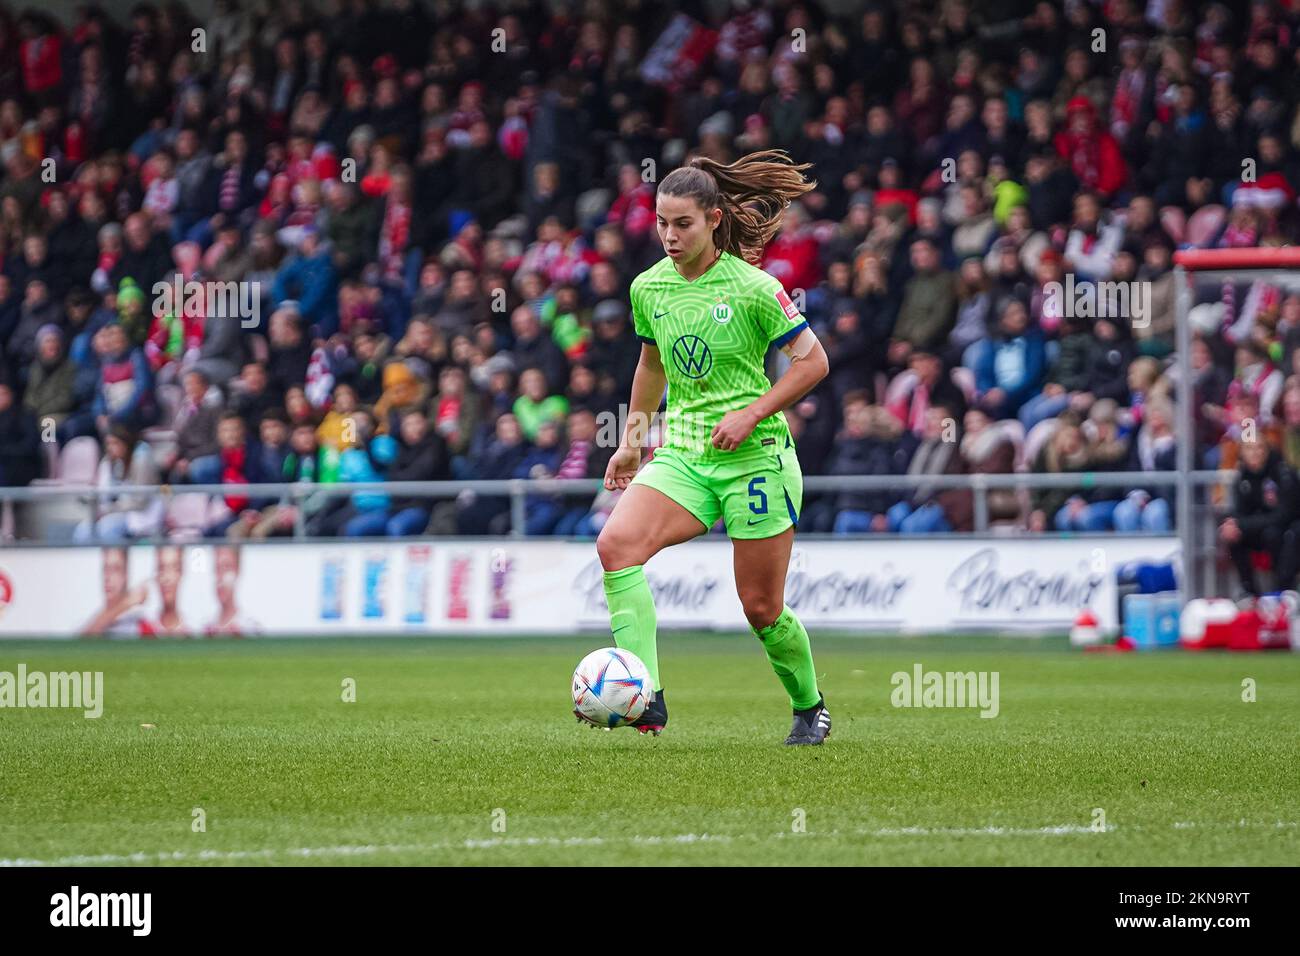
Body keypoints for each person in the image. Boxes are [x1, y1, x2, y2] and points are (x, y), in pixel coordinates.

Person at [594, 150, 833, 746]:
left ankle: (809, 706)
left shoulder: (756, 288)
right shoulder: (648, 287)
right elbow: (650, 364)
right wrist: (631, 442)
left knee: (760, 609)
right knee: (616, 545)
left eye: (683, 224)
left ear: (715, 220)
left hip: (756, 458)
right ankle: (644, 696)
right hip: (685, 454)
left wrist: (752, 413)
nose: (670, 237)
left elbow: (814, 362)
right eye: (661, 223)